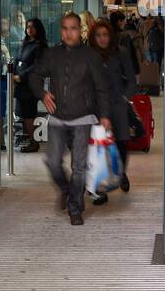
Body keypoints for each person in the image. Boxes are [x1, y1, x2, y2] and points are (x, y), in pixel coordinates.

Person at [29, 12, 112, 225]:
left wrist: (104, 115)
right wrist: (43, 94)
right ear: (61, 30)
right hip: (57, 118)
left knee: (79, 166)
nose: (68, 33)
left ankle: (75, 208)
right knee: (53, 162)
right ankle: (66, 189)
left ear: (80, 30)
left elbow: (102, 88)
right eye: (65, 28)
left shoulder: (90, 56)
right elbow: (35, 75)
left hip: (83, 118)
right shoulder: (51, 54)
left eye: (73, 28)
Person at [88, 18, 136, 205]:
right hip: (96, 107)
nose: (102, 39)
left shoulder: (121, 53)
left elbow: (132, 79)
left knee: (122, 143)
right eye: (98, 35)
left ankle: (121, 171)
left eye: (105, 35)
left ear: (110, 36)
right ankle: (102, 190)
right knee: (99, 148)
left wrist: (125, 98)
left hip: (117, 105)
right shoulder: (88, 55)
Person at [12, 17, 49, 153]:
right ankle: (31, 141)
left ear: (38, 29)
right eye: (28, 27)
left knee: (28, 114)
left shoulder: (41, 45)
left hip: (30, 84)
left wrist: (21, 76)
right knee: (23, 113)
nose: (29, 30)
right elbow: (17, 58)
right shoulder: (25, 42)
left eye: (32, 27)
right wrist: (13, 73)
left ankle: (34, 143)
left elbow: (37, 66)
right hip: (20, 83)